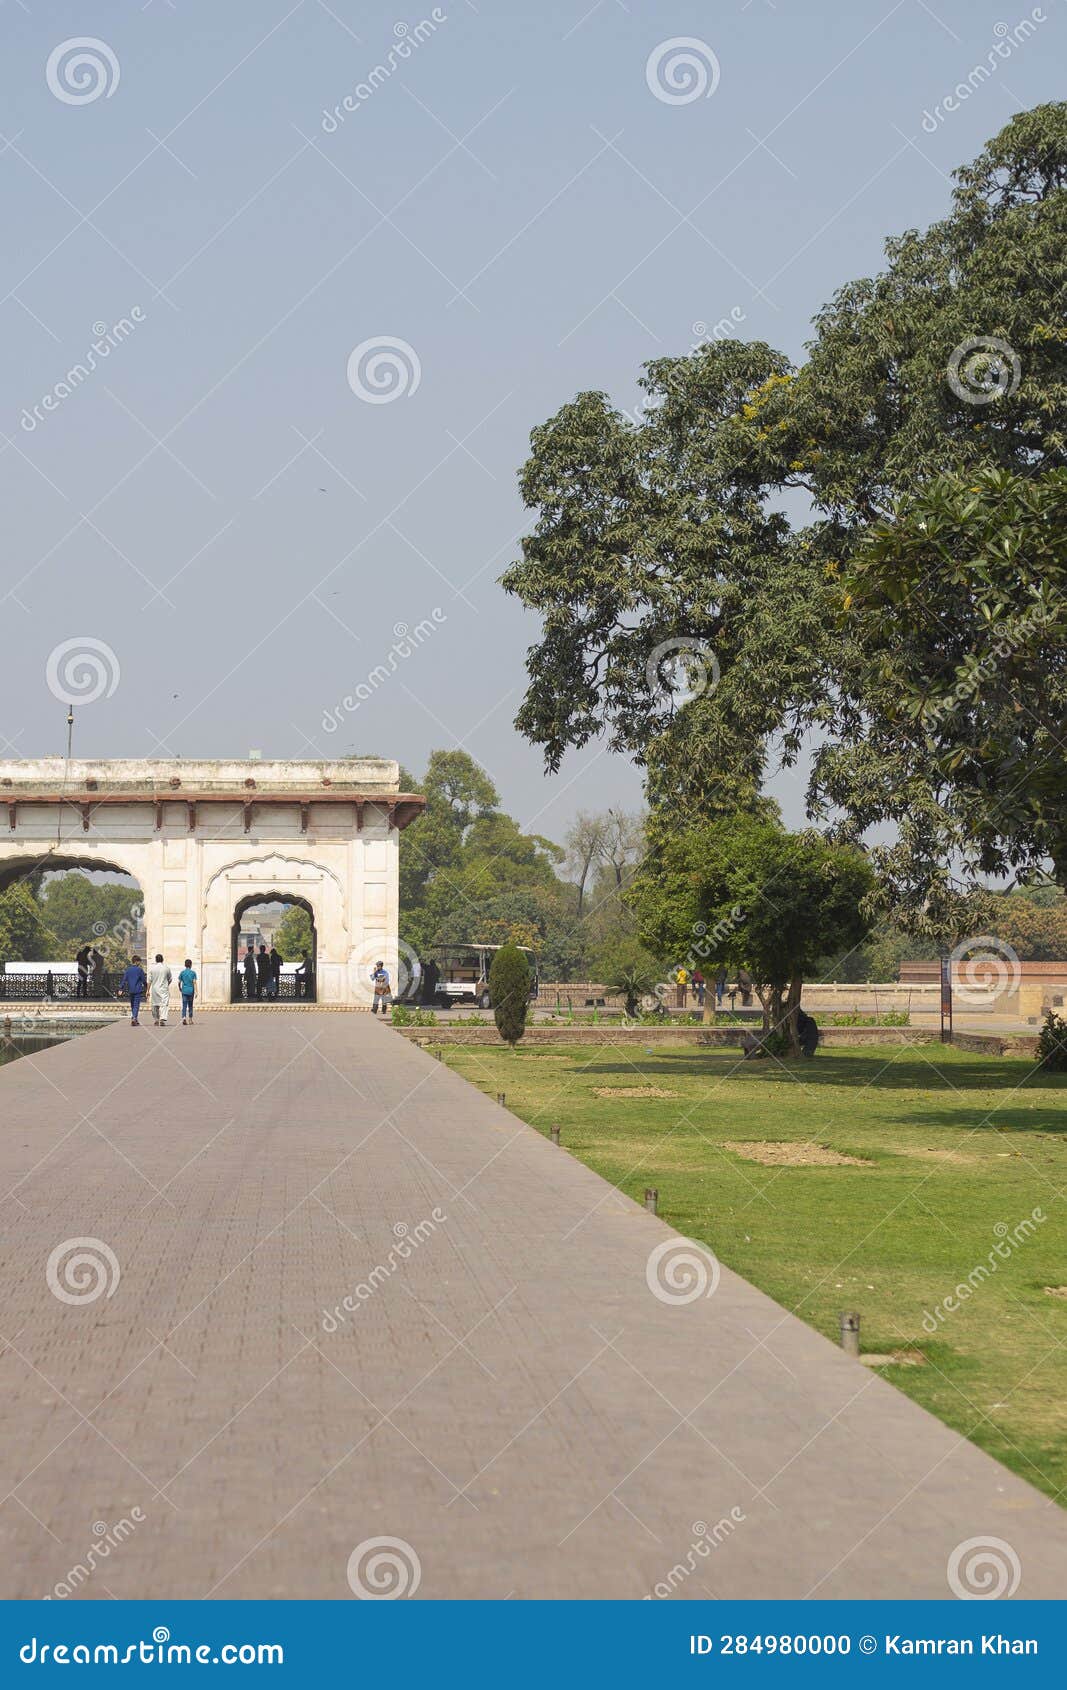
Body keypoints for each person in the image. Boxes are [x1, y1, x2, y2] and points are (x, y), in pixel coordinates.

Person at [120, 955, 147, 1026]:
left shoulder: (128, 970)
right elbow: (144, 980)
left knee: (132, 1005)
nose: (140, 963)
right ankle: (134, 1018)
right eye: (139, 962)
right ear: (137, 961)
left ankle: (134, 1018)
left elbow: (124, 979)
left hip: (131, 990)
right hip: (137, 990)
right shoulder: (139, 970)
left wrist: (121, 988)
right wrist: (146, 987)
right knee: (136, 1005)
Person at [147, 954, 172, 1026]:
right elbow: (170, 979)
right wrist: (166, 985)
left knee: (155, 1004)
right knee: (164, 1004)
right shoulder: (166, 968)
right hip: (164, 989)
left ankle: (156, 1019)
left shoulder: (152, 969)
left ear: (156, 960)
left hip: (155, 989)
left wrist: (147, 990)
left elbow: (149, 981)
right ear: (162, 959)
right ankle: (162, 1019)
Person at [178, 958, 197, 1026]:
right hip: (191, 991)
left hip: (184, 991)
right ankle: (190, 1019)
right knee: (190, 1005)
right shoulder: (193, 973)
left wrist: (180, 988)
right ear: (191, 965)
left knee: (184, 1005)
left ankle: (184, 1018)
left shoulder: (182, 972)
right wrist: (196, 992)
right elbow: (194, 982)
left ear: (185, 965)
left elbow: (179, 982)